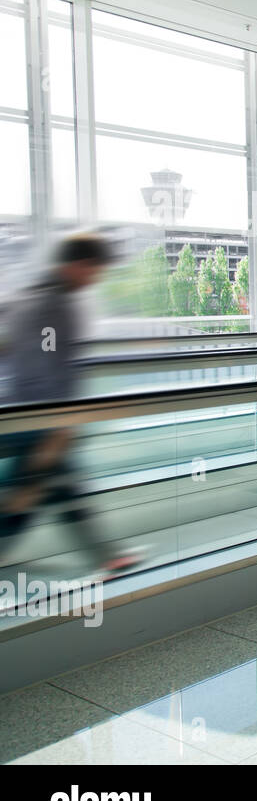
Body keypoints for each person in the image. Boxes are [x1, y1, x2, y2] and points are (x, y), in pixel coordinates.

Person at [0, 231, 144, 577]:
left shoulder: (28, 295)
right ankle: (108, 558)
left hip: (22, 415)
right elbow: (48, 370)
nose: (96, 279)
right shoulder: (54, 306)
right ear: (81, 265)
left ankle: (107, 557)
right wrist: (60, 427)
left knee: (54, 488)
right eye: (96, 271)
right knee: (38, 489)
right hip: (37, 421)